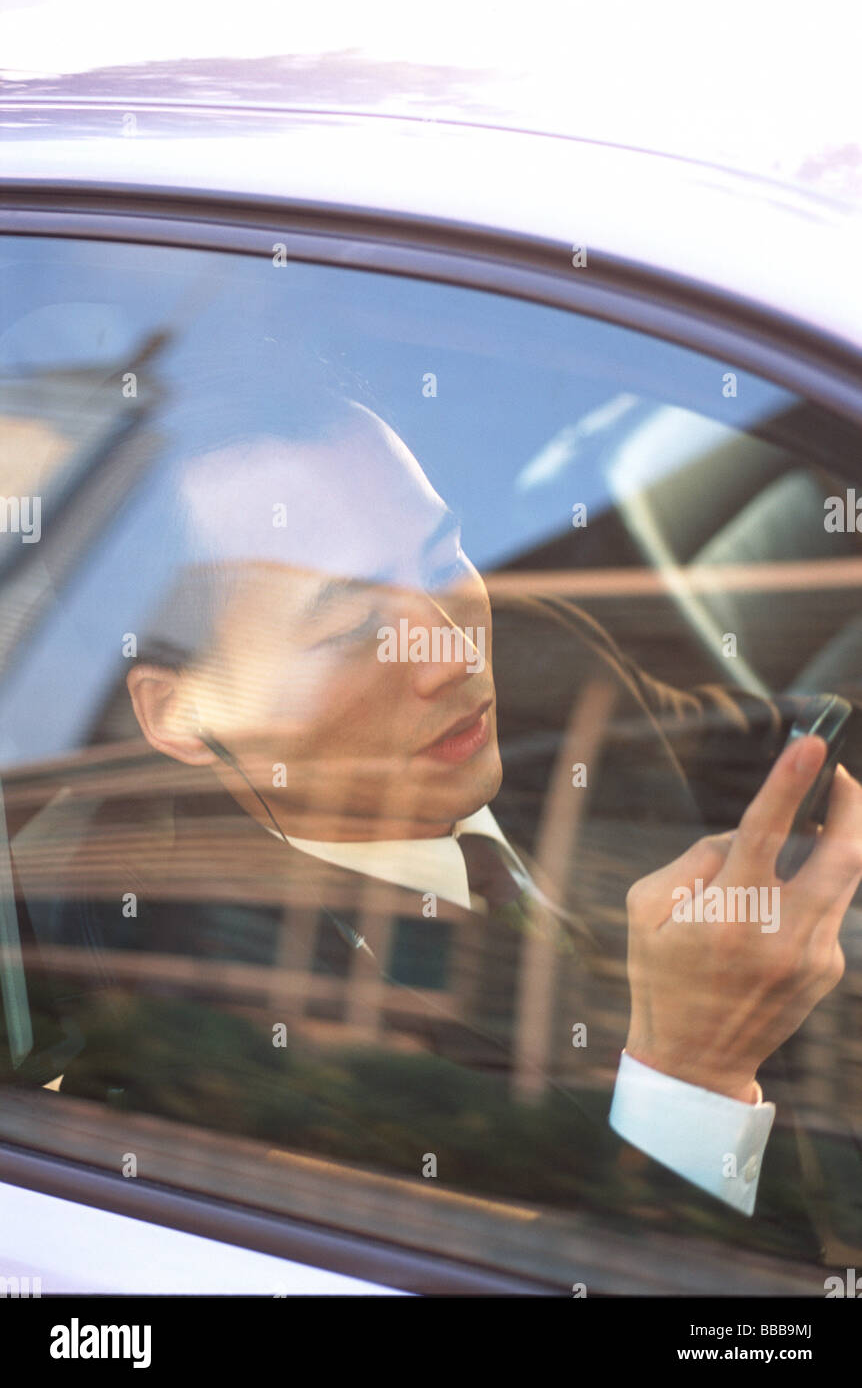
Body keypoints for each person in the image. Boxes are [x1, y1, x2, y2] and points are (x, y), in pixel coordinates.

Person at [15, 389, 862, 1249]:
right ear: (180, 712)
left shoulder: (538, 655)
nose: (452, 652)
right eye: (352, 623)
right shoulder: (214, 1043)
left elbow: (792, 748)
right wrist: (695, 1078)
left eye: (443, 553)